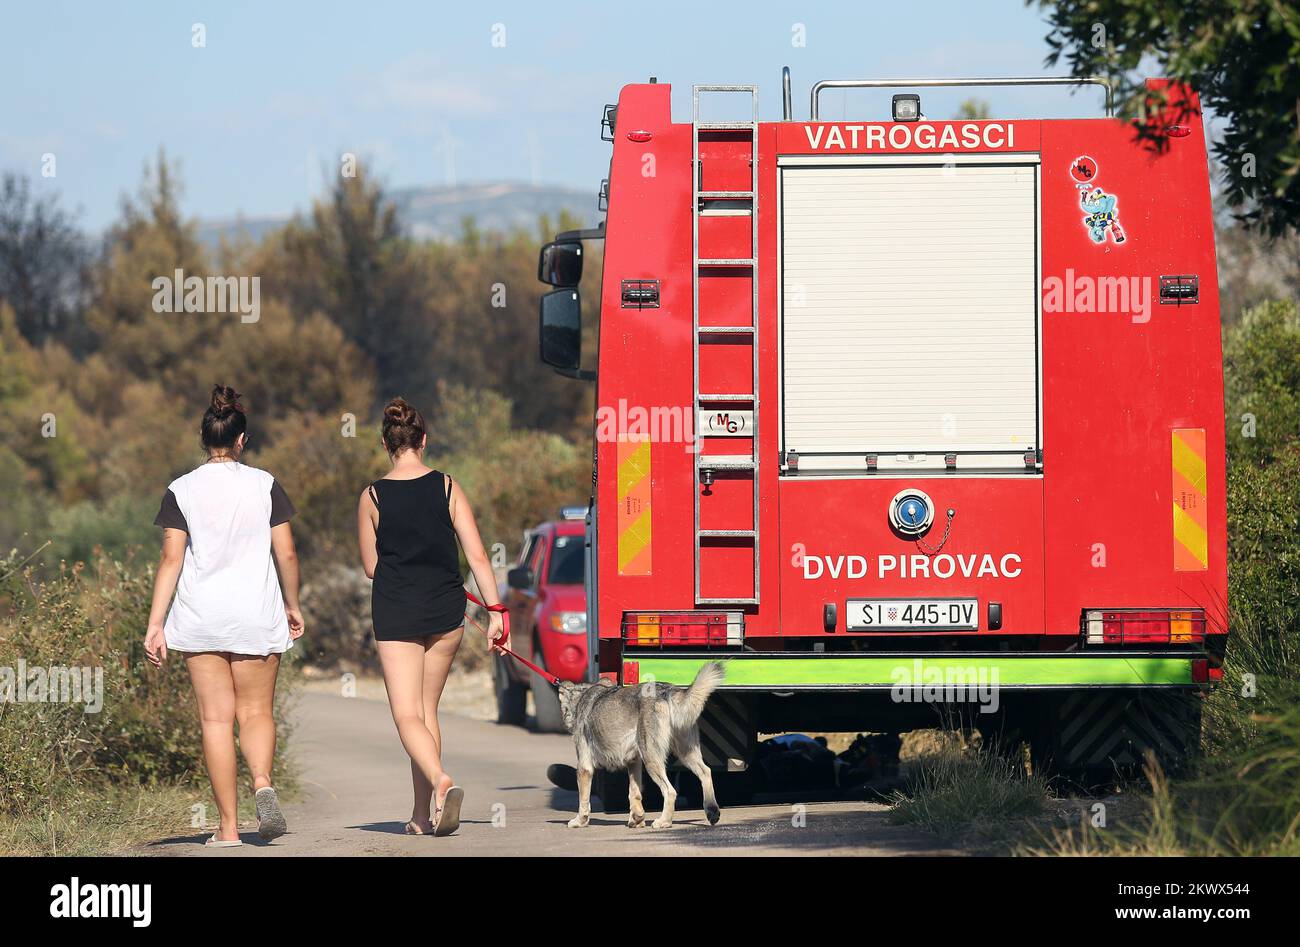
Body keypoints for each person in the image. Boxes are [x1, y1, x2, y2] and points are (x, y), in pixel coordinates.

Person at [143, 385, 305, 848]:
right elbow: (287, 553)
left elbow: (170, 560)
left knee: (216, 721)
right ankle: (262, 782)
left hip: (200, 618)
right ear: (241, 441)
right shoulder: (265, 484)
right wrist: (292, 605)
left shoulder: (181, 490)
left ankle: (229, 829)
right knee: (255, 712)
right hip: (256, 612)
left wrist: (156, 624)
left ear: (203, 438)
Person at [357, 397, 504, 837]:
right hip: (446, 610)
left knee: (406, 715)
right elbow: (477, 555)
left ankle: (441, 781)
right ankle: (424, 816)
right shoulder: (448, 487)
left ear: (386, 443)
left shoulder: (372, 496)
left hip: (397, 610)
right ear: (424, 440)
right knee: (427, 712)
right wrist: (496, 612)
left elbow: (370, 566)